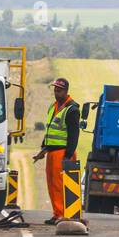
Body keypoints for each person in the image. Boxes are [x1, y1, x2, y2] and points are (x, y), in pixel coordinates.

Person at [32, 77, 80, 225]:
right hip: (52, 152)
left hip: (63, 152)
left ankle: (63, 214)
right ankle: (57, 213)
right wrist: (43, 150)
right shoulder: (53, 107)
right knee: (52, 185)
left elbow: (74, 134)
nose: (56, 92)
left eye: (59, 90)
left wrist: (68, 155)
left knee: (60, 185)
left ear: (66, 91)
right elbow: (50, 131)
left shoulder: (72, 109)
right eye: (55, 89)